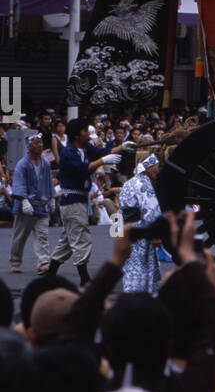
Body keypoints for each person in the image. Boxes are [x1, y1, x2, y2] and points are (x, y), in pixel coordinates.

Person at [46, 120, 123, 285]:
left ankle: (50, 273)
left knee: (67, 241)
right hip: (72, 200)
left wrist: (125, 147)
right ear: (77, 134)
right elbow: (82, 169)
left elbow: (104, 151)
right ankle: (84, 278)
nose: (88, 134)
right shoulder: (68, 152)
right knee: (82, 238)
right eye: (85, 131)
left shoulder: (85, 147)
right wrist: (103, 161)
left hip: (78, 200)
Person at [117, 153, 164, 293]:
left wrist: (117, 232)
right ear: (149, 168)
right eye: (157, 167)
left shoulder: (129, 182)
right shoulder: (144, 184)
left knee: (131, 266)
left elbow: (119, 209)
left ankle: (131, 294)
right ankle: (142, 296)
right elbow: (151, 209)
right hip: (141, 231)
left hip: (127, 229)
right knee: (143, 266)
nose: (158, 170)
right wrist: (157, 234)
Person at [9, 132, 54, 275]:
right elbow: (19, 184)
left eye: (41, 143)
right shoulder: (22, 164)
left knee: (42, 235)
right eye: (37, 143)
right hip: (25, 205)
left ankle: (43, 262)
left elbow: (49, 181)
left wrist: (51, 198)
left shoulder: (45, 163)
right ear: (29, 147)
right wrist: (23, 200)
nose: (40, 146)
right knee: (20, 235)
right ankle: (15, 261)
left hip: (41, 204)